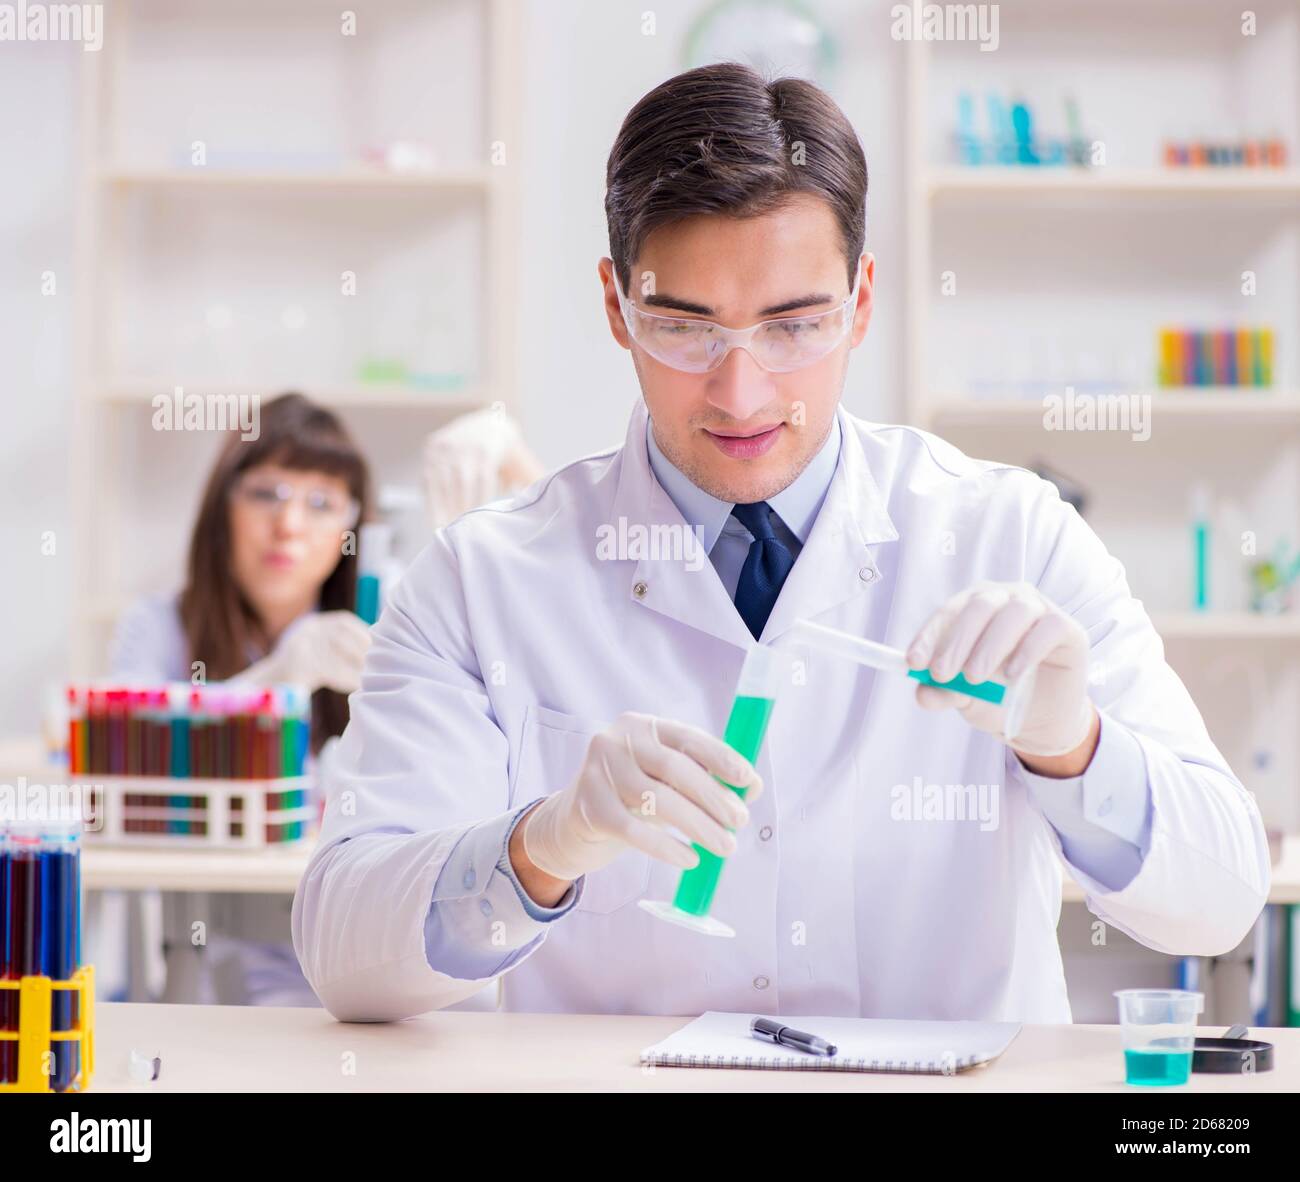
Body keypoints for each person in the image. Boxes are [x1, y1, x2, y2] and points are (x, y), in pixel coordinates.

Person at [293, 64, 1271, 1023]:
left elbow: (1220, 902)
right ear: (615, 307)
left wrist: (1075, 750)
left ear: (861, 300)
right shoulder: (483, 577)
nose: (741, 392)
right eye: (683, 328)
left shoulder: (1008, 535)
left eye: (795, 325)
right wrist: (545, 842)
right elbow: (346, 957)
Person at [111, 392, 373, 1005]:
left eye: (320, 503)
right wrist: (277, 680)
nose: (289, 525)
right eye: (266, 494)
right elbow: (132, 760)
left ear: (349, 530)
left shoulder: (369, 636)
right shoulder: (156, 629)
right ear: (222, 506)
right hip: (206, 954)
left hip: (347, 954)